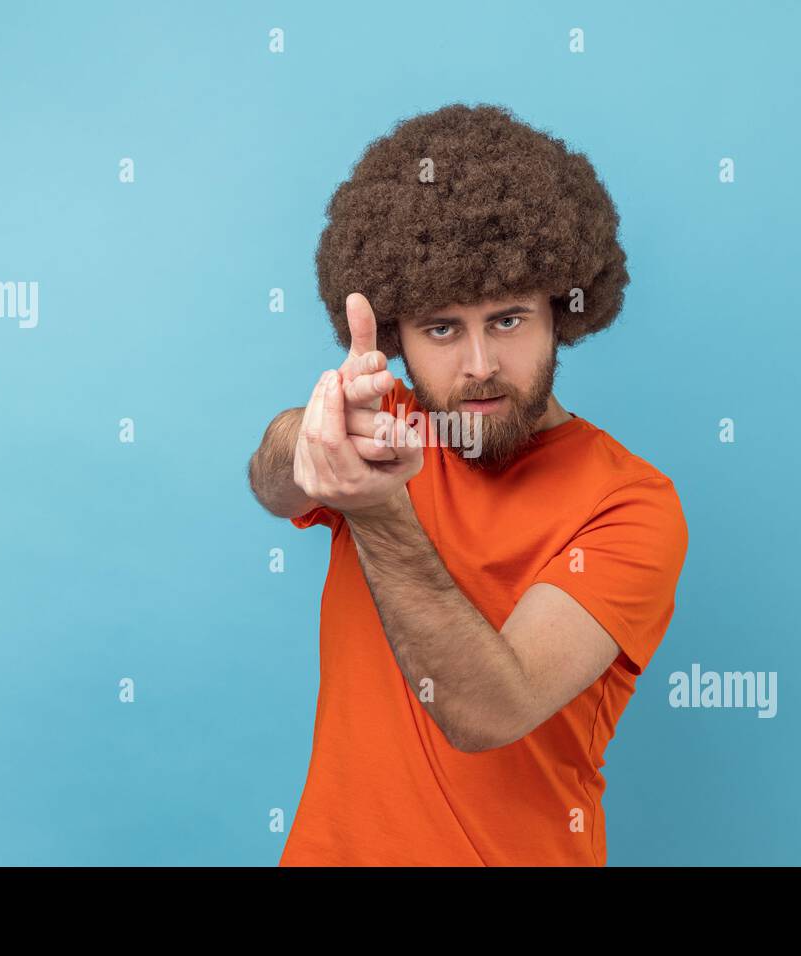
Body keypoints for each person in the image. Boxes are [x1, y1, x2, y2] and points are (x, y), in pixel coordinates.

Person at [248, 103, 688, 866]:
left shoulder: (631, 505)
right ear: (397, 338)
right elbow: (275, 479)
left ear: (562, 313)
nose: (480, 362)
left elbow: (491, 709)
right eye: (443, 329)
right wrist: (308, 442)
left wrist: (378, 514)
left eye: (509, 319)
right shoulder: (385, 425)